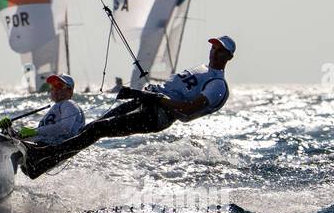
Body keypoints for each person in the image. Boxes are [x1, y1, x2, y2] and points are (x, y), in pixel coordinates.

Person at [19, 35, 236, 179]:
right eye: (214, 47)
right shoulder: (202, 68)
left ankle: (44, 157)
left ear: (229, 57)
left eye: (220, 50)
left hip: (158, 116)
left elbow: (187, 109)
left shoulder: (217, 85)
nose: (214, 51)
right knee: (94, 126)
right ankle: (42, 160)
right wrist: (146, 94)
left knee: (98, 130)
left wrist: (151, 96)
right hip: (149, 101)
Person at [0, 73, 84, 142]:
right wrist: (9, 128)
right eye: (53, 86)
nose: (55, 89)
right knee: (10, 134)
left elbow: (65, 128)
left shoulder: (69, 104)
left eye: (59, 86)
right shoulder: (57, 107)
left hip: (47, 148)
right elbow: (44, 133)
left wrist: (36, 131)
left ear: (70, 91)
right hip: (39, 145)